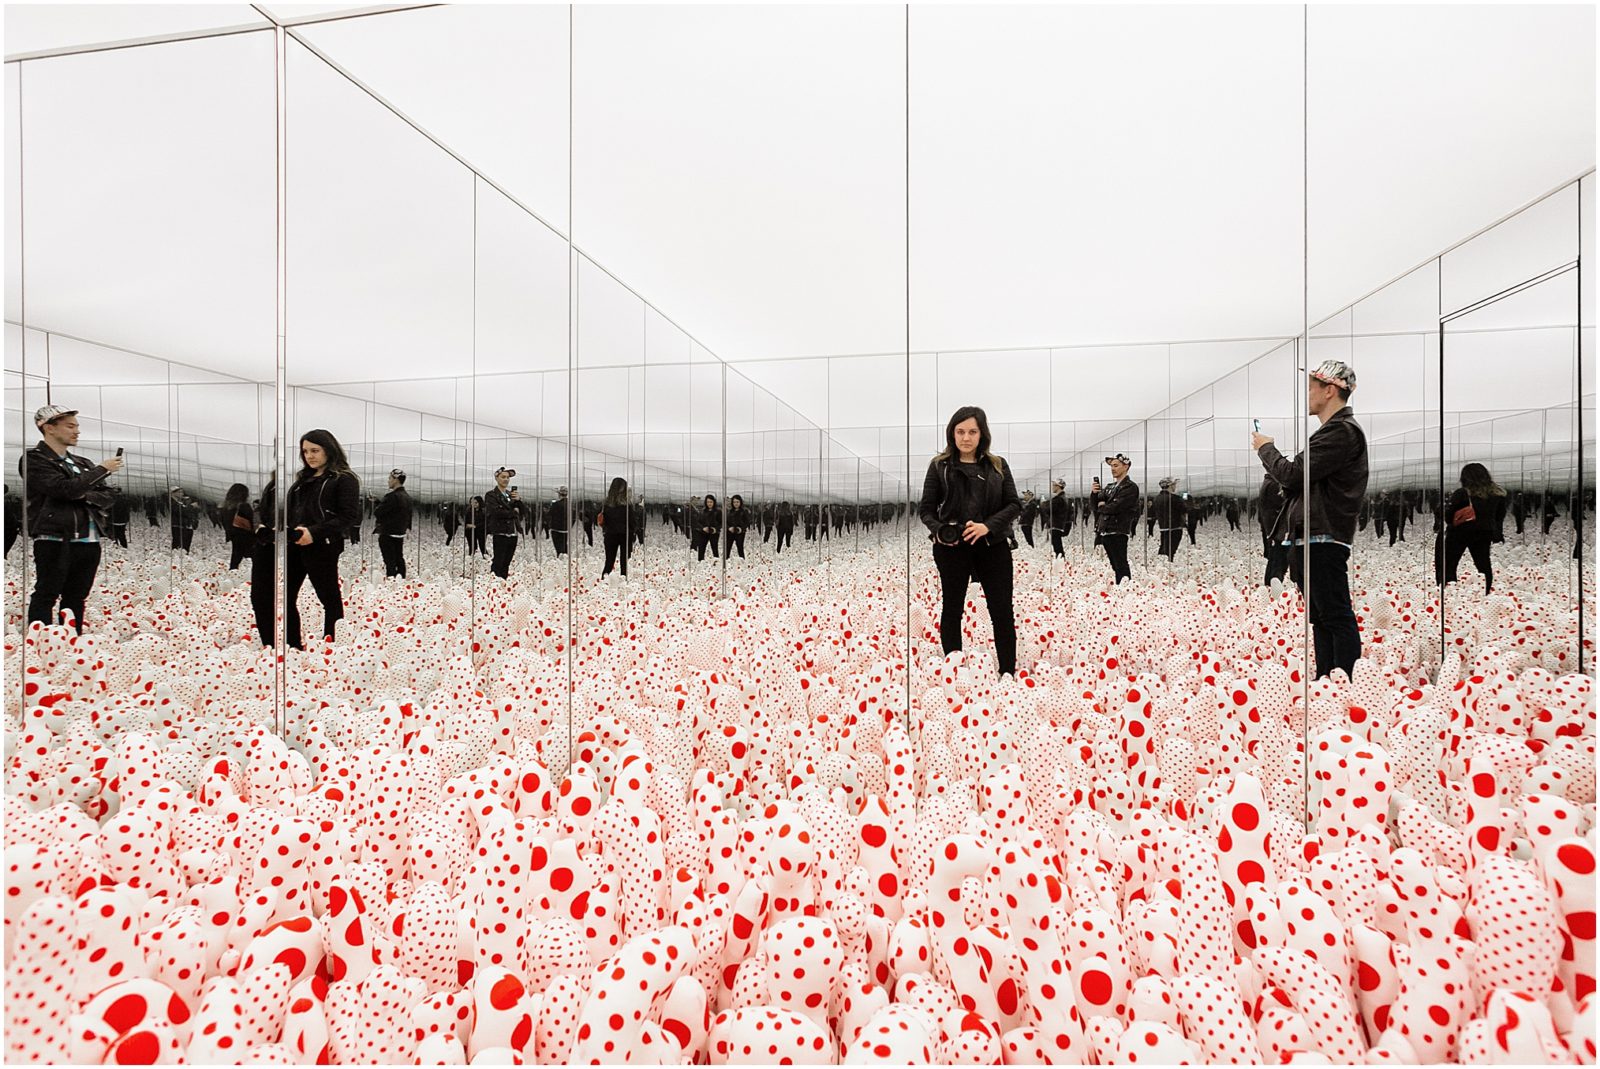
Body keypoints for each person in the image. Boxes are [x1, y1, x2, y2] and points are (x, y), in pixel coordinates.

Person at [1253, 359, 1369, 680]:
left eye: (1312, 387)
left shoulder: (1341, 432)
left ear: (1329, 390)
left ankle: (1343, 685)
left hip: (1323, 537)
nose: (1308, 394)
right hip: (1312, 536)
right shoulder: (1332, 432)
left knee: (1334, 615)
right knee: (1321, 617)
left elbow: (1291, 476)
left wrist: (1267, 449)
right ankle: (1326, 683)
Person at [918, 405, 1021, 678]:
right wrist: (940, 530)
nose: (966, 437)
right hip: (953, 549)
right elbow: (926, 509)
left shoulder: (997, 465)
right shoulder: (939, 466)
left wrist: (988, 526)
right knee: (953, 607)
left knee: (1001, 609)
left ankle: (1007, 671)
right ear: (952, 433)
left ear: (982, 434)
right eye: (960, 431)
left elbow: (1013, 504)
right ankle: (955, 670)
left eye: (972, 431)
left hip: (993, 546)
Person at [20, 405, 122, 633]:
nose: (77, 431)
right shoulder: (33, 460)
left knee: (77, 596)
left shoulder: (82, 463)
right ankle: (41, 644)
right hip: (55, 538)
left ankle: (72, 641)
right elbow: (62, 489)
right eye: (70, 426)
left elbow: (108, 496)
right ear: (49, 428)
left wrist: (81, 491)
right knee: (47, 593)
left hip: (88, 539)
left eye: (77, 426)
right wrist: (101, 470)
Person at [284, 429, 361, 650]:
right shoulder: (302, 480)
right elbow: (292, 511)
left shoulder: (343, 479)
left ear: (329, 449)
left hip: (323, 547)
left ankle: (333, 646)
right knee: (287, 596)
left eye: (315, 450)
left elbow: (348, 516)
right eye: (305, 451)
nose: (309, 456)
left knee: (328, 598)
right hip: (295, 544)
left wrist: (315, 533)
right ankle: (292, 645)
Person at [1436, 463, 1507, 594]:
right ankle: (1484, 593)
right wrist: (1497, 534)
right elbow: (1499, 517)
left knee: (1449, 565)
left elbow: (1449, 517)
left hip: (1459, 534)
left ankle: (1449, 593)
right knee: (1483, 565)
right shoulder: (1497, 495)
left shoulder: (1462, 493)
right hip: (1484, 534)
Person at [1090, 453, 1140, 584]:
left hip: (1118, 530)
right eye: (1111, 466)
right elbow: (1095, 507)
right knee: (1115, 565)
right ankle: (1121, 588)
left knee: (1121, 564)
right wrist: (1094, 495)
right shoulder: (1109, 487)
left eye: (1116, 465)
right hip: (1106, 530)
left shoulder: (1130, 487)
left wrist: (1103, 506)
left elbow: (1115, 507)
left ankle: (1125, 589)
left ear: (1126, 466)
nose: (1113, 468)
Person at [250, 476, 277, 646]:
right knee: (261, 597)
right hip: (266, 546)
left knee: (263, 597)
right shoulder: (272, 489)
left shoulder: (295, 490)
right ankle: (272, 643)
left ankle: (276, 643)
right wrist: (261, 529)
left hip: (279, 546)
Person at [481, 468, 521, 579]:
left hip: (512, 532)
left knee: (507, 562)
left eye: (508, 477)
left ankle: (503, 584)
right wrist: (513, 512)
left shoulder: (510, 495)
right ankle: (494, 584)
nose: (506, 479)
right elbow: (495, 512)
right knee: (498, 561)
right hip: (500, 532)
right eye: (503, 477)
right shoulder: (491, 495)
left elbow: (523, 511)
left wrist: (518, 500)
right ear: (496, 478)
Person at [374, 468, 413, 578]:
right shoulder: (407, 497)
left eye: (390, 478)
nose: (388, 481)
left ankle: (392, 582)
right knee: (399, 558)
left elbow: (378, 512)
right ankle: (401, 581)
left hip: (388, 533)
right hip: (399, 533)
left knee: (390, 561)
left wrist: (378, 505)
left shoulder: (392, 496)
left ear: (396, 479)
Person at [1259, 474, 1290, 585]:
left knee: (1275, 558)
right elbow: (1279, 505)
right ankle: (1273, 584)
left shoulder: (1268, 482)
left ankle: (1270, 585)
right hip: (1277, 530)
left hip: (1273, 530)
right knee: (1279, 560)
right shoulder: (1273, 485)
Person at [600, 476, 631, 577]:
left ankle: (604, 583)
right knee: (624, 563)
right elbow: (632, 521)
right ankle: (623, 583)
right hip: (624, 535)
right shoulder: (626, 505)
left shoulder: (606, 504)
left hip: (610, 535)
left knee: (609, 562)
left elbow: (603, 521)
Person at [222, 482, 254, 570]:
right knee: (255, 557)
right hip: (245, 536)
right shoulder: (244, 506)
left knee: (236, 557)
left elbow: (224, 523)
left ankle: (232, 574)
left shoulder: (226, 507)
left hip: (234, 536)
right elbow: (251, 522)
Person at [1154, 477, 1187, 561]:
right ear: (1170, 486)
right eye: (1174, 485)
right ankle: (1167, 565)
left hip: (1163, 526)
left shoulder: (1157, 498)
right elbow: (1184, 510)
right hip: (1175, 527)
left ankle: (1161, 565)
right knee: (1171, 549)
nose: (1175, 487)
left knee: (1164, 546)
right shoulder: (1175, 498)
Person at [1048, 479, 1071, 558]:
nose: (1052, 487)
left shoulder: (1059, 499)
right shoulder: (1061, 498)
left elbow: (1049, 509)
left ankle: (1060, 561)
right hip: (1057, 524)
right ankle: (1060, 560)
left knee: (1057, 545)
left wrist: (1043, 504)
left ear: (1058, 486)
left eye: (1054, 485)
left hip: (1057, 524)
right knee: (1056, 544)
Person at [695, 494, 722, 561]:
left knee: (714, 548)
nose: (709, 503)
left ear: (714, 502)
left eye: (711, 502)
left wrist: (715, 529)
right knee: (701, 548)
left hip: (714, 533)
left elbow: (721, 523)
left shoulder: (718, 511)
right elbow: (698, 522)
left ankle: (716, 563)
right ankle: (700, 562)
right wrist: (703, 528)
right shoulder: (702, 511)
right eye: (708, 502)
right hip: (703, 533)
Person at [546, 487, 571, 558]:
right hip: (565, 529)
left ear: (559, 495)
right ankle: (565, 559)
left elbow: (549, 514)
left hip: (556, 529)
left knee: (558, 546)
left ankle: (560, 559)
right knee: (564, 545)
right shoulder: (569, 504)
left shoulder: (556, 504)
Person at [725, 494, 749, 559]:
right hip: (730, 532)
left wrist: (741, 528)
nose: (736, 503)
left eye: (737, 502)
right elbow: (726, 522)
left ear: (740, 502)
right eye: (734, 502)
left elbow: (747, 522)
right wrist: (729, 528)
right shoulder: (730, 511)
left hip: (740, 533)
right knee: (728, 547)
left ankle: (742, 561)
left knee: (740, 547)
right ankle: (726, 561)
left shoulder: (744, 512)